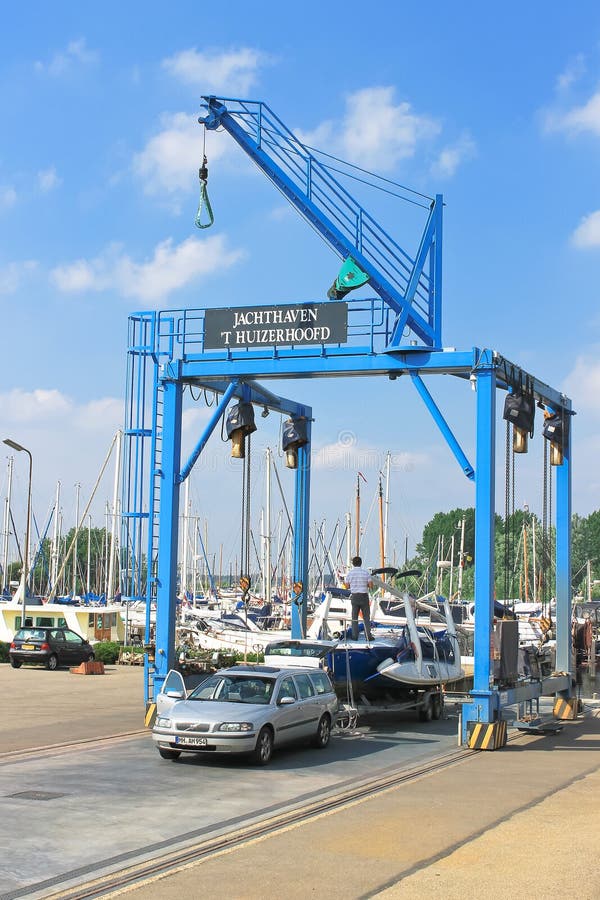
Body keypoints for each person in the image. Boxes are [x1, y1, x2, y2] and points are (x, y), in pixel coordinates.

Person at [344, 556, 374, 641]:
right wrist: (366, 585)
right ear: (361, 563)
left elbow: (346, 586)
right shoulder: (366, 573)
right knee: (366, 618)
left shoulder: (350, 573)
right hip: (364, 596)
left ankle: (354, 636)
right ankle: (368, 636)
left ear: (353, 564)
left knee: (354, 617)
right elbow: (371, 586)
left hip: (354, 596)